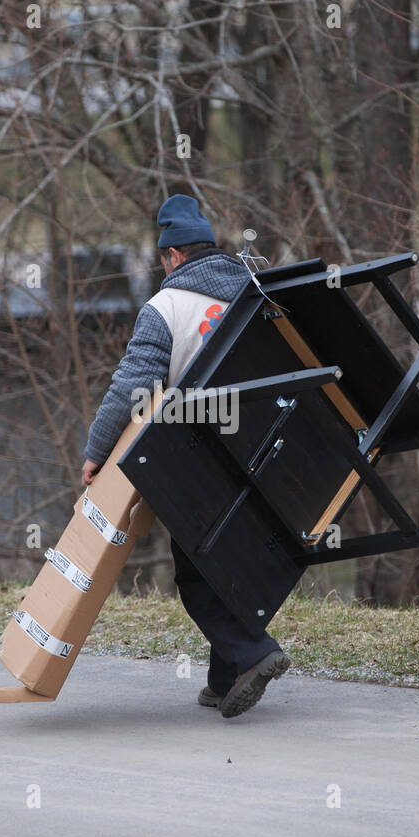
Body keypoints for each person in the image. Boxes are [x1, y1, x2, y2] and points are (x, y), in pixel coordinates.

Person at [80, 194, 291, 719]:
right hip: (268, 449)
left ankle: (254, 653)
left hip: (200, 461)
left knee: (196, 574)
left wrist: (95, 453)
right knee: (223, 560)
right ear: (210, 249)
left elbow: (131, 388)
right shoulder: (253, 291)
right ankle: (225, 679)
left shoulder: (165, 308)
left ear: (172, 256)